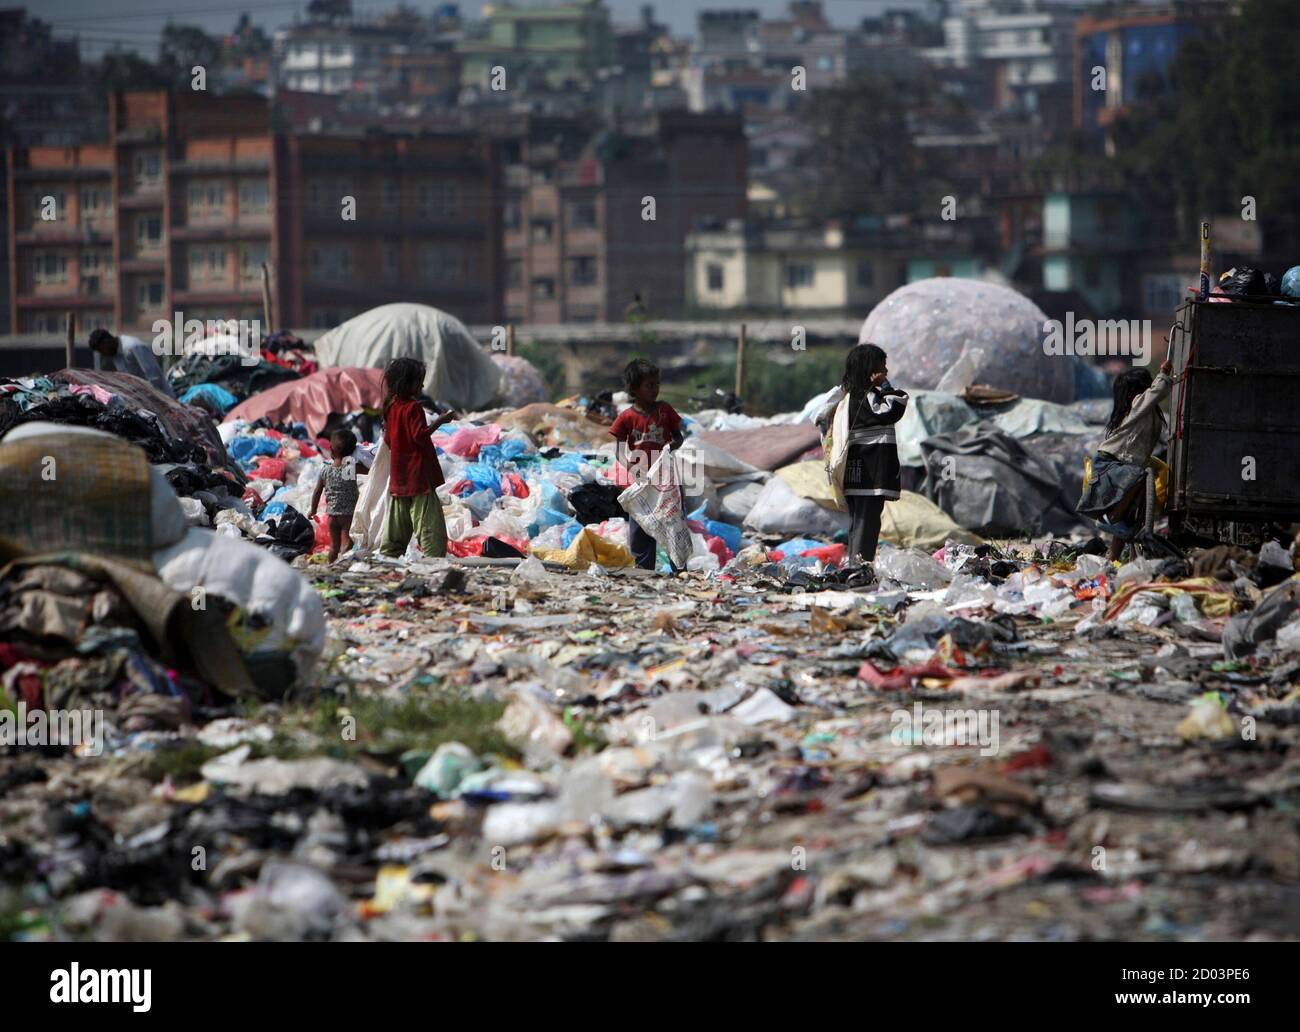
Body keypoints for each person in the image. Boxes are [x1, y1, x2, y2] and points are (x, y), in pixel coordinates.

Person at [1078, 361, 1173, 561]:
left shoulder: (1147, 412)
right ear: (1136, 393)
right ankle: (1113, 517)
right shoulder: (1139, 404)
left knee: (1127, 521)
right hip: (1111, 462)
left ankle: (1113, 558)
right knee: (1140, 477)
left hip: (1122, 463)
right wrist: (1163, 373)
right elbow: (1158, 391)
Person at [836, 343, 909, 568]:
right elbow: (893, 409)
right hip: (870, 471)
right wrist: (884, 385)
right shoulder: (867, 397)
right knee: (866, 523)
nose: (885, 371)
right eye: (881, 366)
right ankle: (859, 568)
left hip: (856, 471)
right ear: (870, 370)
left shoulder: (847, 397)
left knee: (859, 522)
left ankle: (854, 566)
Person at [378, 358, 457, 560]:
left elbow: (389, 439)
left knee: (397, 522)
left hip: (399, 476)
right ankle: (433, 560)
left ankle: (389, 556)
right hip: (419, 476)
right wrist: (441, 420)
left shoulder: (391, 407)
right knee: (429, 523)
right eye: (418, 382)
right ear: (407, 384)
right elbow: (419, 437)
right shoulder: (413, 408)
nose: (422, 386)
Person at [610, 358, 684, 570]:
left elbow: (678, 437)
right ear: (635, 388)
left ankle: (679, 571)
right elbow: (619, 450)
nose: (655, 389)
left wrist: (672, 447)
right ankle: (644, 571)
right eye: (649, 385)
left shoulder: (664, 410)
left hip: (666, 477)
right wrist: (632, 468)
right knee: (641, 526)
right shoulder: (626, 417)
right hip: (641, 479)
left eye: (657, 384)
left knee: (672, 522)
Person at [310, 429, 369, 563]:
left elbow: (317, 491)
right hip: (347, 515)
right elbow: (372, 470)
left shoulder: (325, 470)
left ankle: (331, 565)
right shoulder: (351, 467)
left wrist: (313, 510)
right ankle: (344, 564)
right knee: (347, 543)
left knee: (333, 547)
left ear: (331, 449)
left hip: (332, 516)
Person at [88, 328, 175, 398]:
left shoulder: (133, 346)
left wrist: (152, 397)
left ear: (106, 342)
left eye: (102, 350)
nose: (104, 354)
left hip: (161, 397)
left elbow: (153, 375)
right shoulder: (115, 355)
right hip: (144, 399)